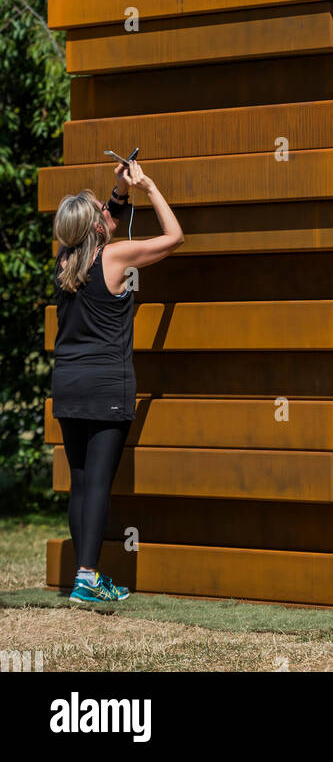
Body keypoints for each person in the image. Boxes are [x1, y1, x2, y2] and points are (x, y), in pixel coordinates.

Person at [51, 158, 183, 606]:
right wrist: (147, 185)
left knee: (81, 482)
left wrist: (118, 194)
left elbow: (99, 223)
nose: (108, 214)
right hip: (106, 386)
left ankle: (83, 574)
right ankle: (88, 577)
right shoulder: (116, 255)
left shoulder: (66, 258)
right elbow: (174, 238)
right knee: (99, 485)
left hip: (68, 385)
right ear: (96, 228)